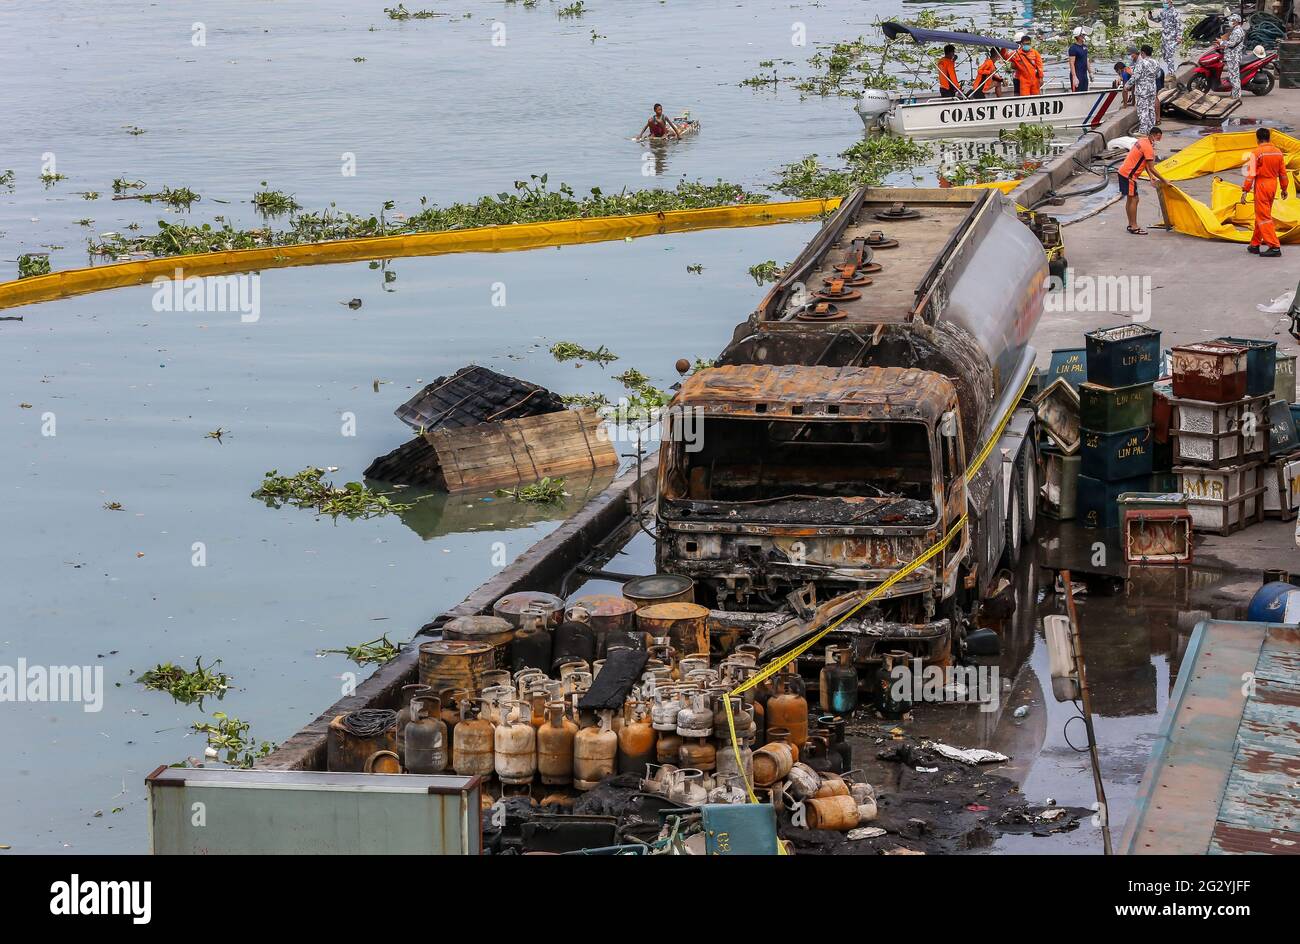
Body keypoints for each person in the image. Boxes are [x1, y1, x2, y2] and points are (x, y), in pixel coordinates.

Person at [1241, 127, 1290, 257]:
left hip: (1262, 185)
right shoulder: (1278, 152)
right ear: (1269, 138)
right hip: (1273, 185)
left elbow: (1251, 174)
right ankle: (1255, 244)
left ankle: (1274, 246)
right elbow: (1283, 173)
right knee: (1262, 214)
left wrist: (1245, 190)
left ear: (1257, 139)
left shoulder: (1256, 153)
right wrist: (1284, 188)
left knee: (1264, 217)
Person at [1117, 126, 1170, 235]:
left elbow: (1145, 162)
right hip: (1129, 175)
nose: (1159, 140)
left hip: (1123, 172)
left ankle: (1131, 224)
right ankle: (1134, 226)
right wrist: (1165, 180)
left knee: (1131, 199)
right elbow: (1152, 167)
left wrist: (1151, 177)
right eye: (1159, 137)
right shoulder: (1148, 148)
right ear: (1154, 135)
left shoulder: (1142, 141)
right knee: (1134, 200)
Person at [1130, 45, 1162, 135]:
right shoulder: (1156, 63)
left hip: (1142, 90)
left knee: (1143, 110)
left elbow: (1136, 76)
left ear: (1142, 53)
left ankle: (1143, 131)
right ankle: (1151, 129)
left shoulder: (1141, 63)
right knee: (1151, 109)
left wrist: (1127, 85)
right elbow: (1157, 75)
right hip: (1152, 88)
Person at [1150, 0, 1182, 75]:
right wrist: (1150, 17)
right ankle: (1170, 70)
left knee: (1169, 54)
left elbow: (1178, 25)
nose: (1165, 4)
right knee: (1164, 55)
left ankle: (1171, 73)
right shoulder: (1163, 12)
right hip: (1164, 36)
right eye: (1164, 3)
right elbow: (1157, 20)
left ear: (1171, 2)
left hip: (1172, 36)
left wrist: (1179, 36)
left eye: (1166, 3)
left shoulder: (1175, 12)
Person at [1221, 14, 1245, 100]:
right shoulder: (1236, 30)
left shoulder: (1237, 31)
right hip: (1232, 56)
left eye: (1231, 21)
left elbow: (1232, 44)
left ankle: (1236, 96)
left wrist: (1222, 42)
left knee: (1234, 76)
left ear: (1236, 22)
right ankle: (1234, 94)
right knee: (1233, 76)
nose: (1230, 22)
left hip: (1233, 57)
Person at [1068, 27, 1090, 92]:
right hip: (1077, 74)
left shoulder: (1085, 47)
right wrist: (1074, 77)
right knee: (1077, 92)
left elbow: (1086, 60)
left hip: (1084, 75)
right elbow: (1071, 63)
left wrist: (1090, 72)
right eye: (1083, 35)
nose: (1084, 36)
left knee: (1085, 92)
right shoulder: (1073, 48)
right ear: (1078, 36)